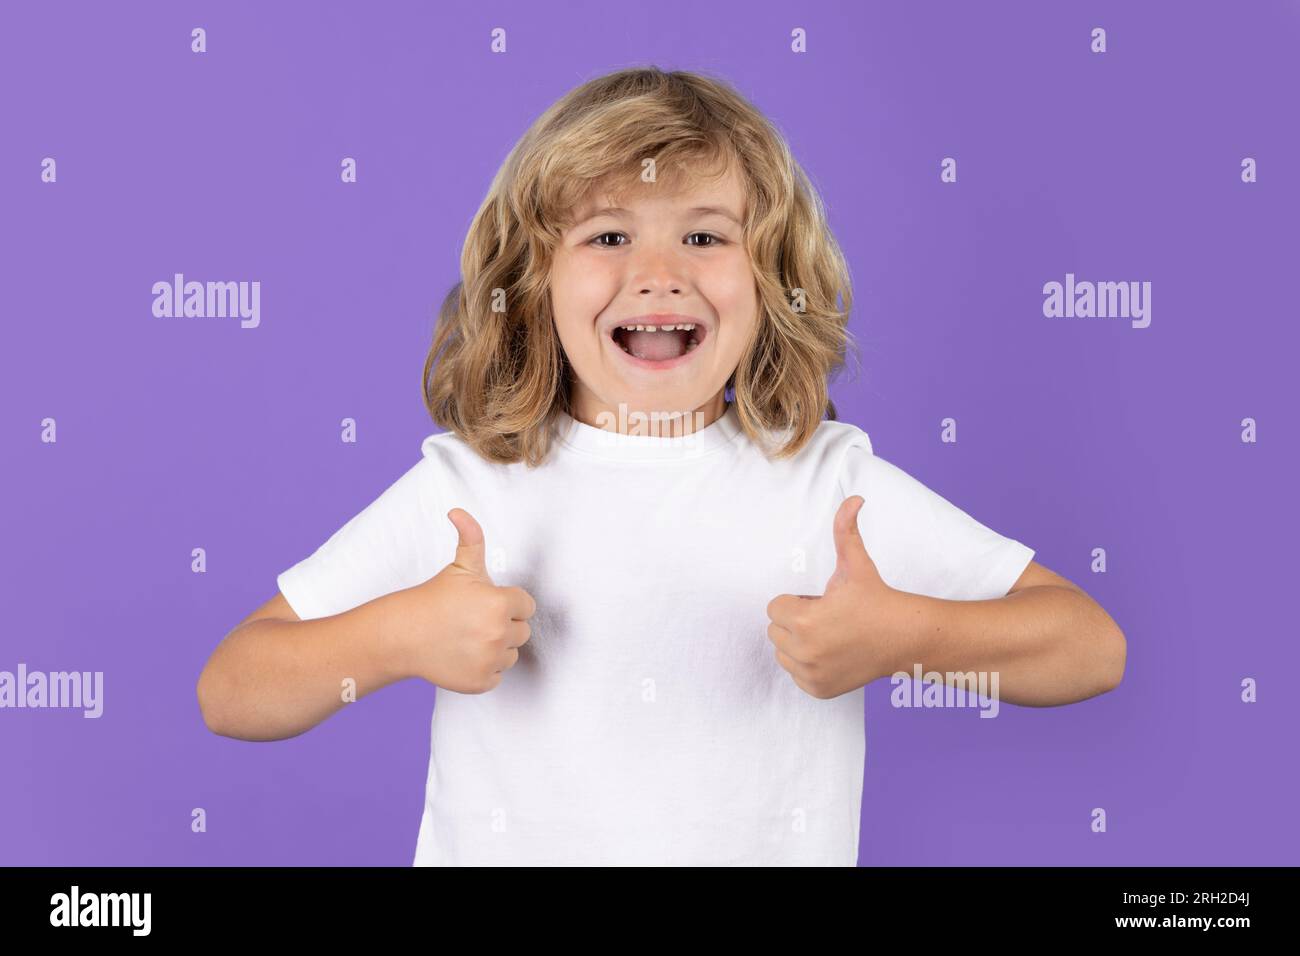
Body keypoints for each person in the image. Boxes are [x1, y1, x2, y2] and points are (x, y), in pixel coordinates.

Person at [196, 66, 1126, 866]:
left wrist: (905, 637)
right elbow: (234, 688)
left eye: (705, 236)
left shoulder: (826, 480)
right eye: (607, 236)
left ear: (771, 284)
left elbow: (1089, 646)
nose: (657, 272)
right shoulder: (470, 488)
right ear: (531, 285)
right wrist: (397, 637)